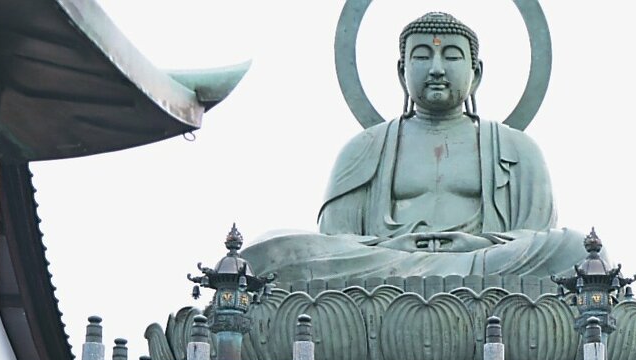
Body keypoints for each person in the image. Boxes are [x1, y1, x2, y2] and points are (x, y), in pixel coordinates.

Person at [241, 11, 586, 286]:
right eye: (422, 56)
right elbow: (335, 242)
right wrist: (393, 247)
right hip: (385, 271)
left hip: (484, 267)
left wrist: (479, 245)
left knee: (576, 249)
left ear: (476, 73)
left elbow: (536, 235)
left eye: (451, 56)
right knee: (268, 251)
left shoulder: (517, 148)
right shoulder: (364, 148)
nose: (436, 68)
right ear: (401, 71)